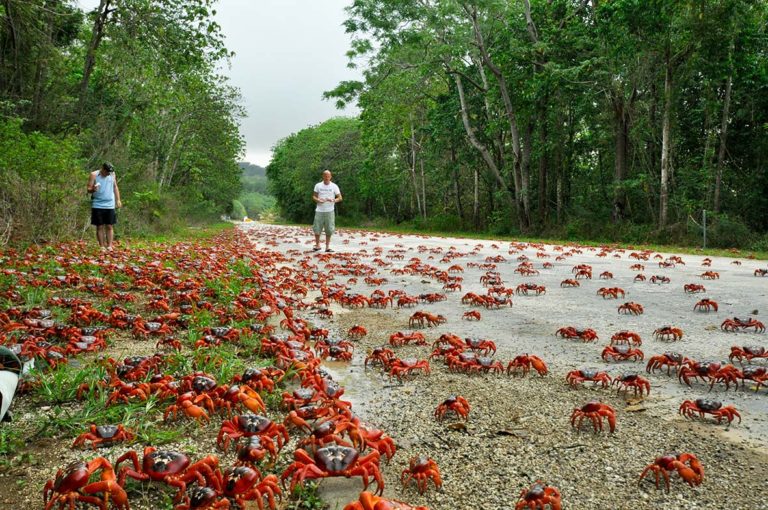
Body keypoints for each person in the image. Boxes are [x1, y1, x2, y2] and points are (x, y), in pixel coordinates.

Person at [87, 162, 122, 251]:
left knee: (110, 225)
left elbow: (115, 187)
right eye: (107, 172)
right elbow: (88, 189)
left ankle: (110, 245)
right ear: (102, 169)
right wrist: (93, 189)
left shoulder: (112, 174)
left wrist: (118, 199)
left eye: (109, 172)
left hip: (110, 204)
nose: (108, 174)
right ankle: (102, 246)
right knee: (100, 226)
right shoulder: (94, 175)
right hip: (98, 204)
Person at [312, 170, 342, 252]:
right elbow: (314, 197)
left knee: (329, 228)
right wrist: (318, 200)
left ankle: (327, 247)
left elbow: (340, 198)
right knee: (317, 228)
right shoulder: (318, 185)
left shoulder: (334, 186)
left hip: (330, 210)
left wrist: (333, 200)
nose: (327, 177)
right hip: (319, 210)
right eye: (325, 176)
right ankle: (317, 245)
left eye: (328, 176)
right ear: (323, 176)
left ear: (330, 177)